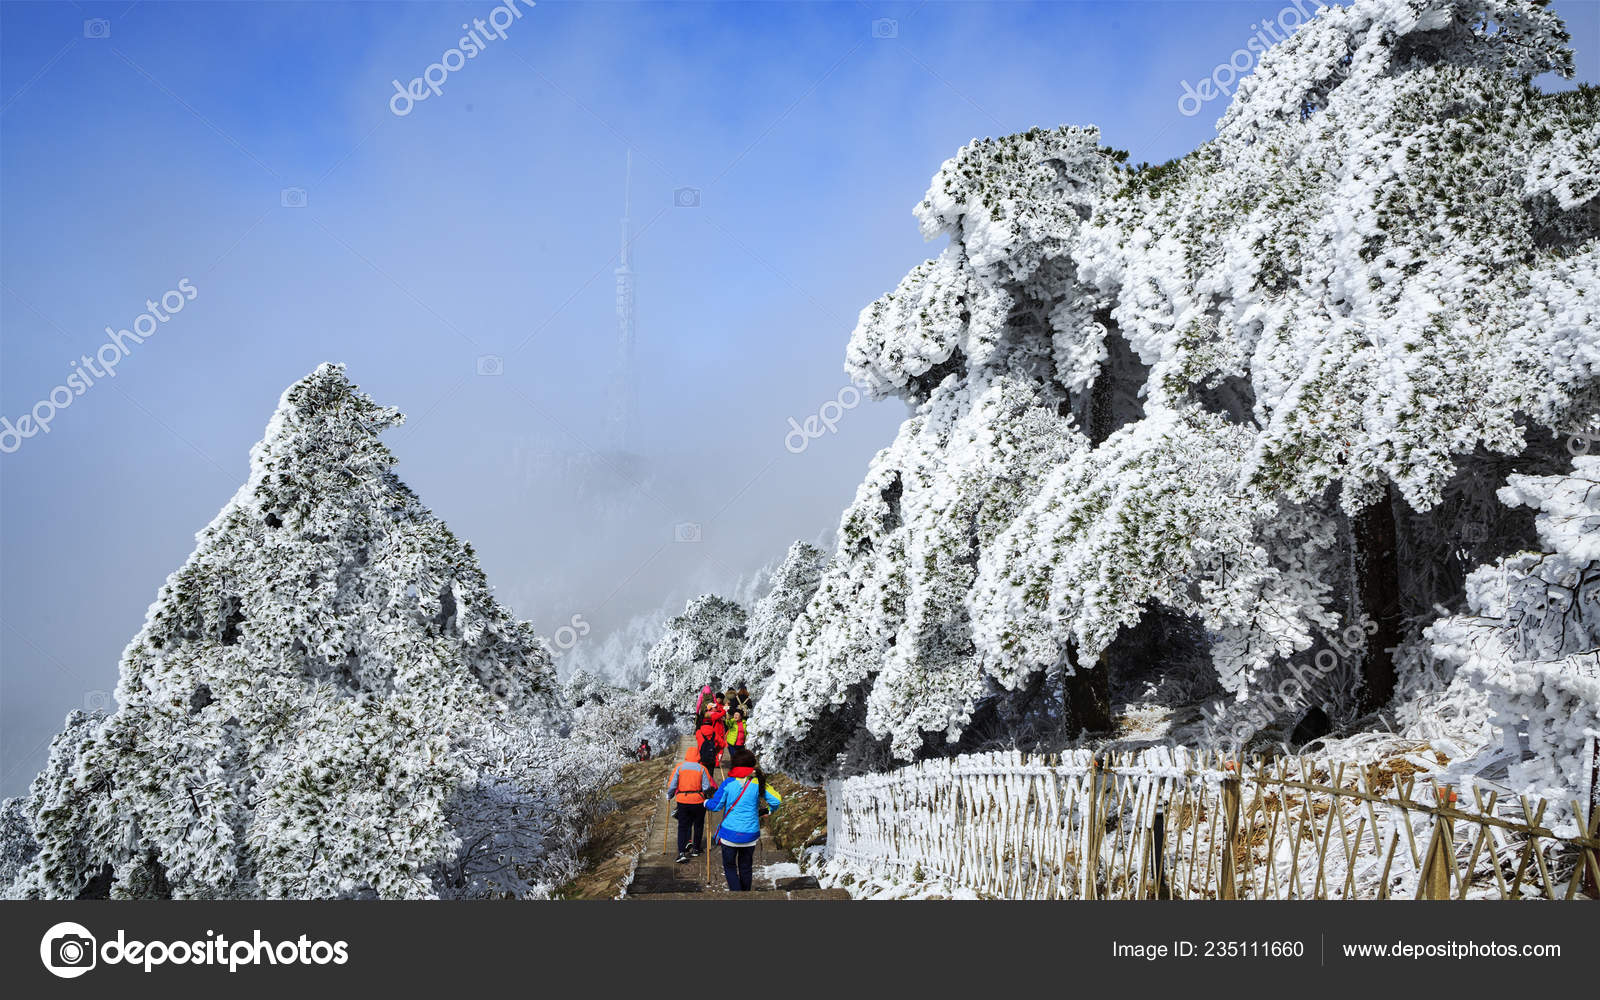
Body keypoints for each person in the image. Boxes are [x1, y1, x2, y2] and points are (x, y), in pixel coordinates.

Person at [703, 746, 782, 891]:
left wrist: (706, 802)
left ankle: (736, 895)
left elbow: (716, 806)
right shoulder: (758, 782)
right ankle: (746, 895)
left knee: (730, 866)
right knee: (746, 867)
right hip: (750, 835)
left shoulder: (728, 783)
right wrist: (769, 811)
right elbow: (776, 800)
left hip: (729, 834)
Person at [664, 745, 717, 862]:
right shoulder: (702, 768)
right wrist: (708, 795)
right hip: (698, 800)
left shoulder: (680, 767)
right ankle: (696, 849)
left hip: (683, 801)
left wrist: (670, 795)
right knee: (698, 825)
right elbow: (707, 787)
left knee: (682, 826)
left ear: (687, 756)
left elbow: (673, 785)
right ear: (698, 756)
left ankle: (682, 852)